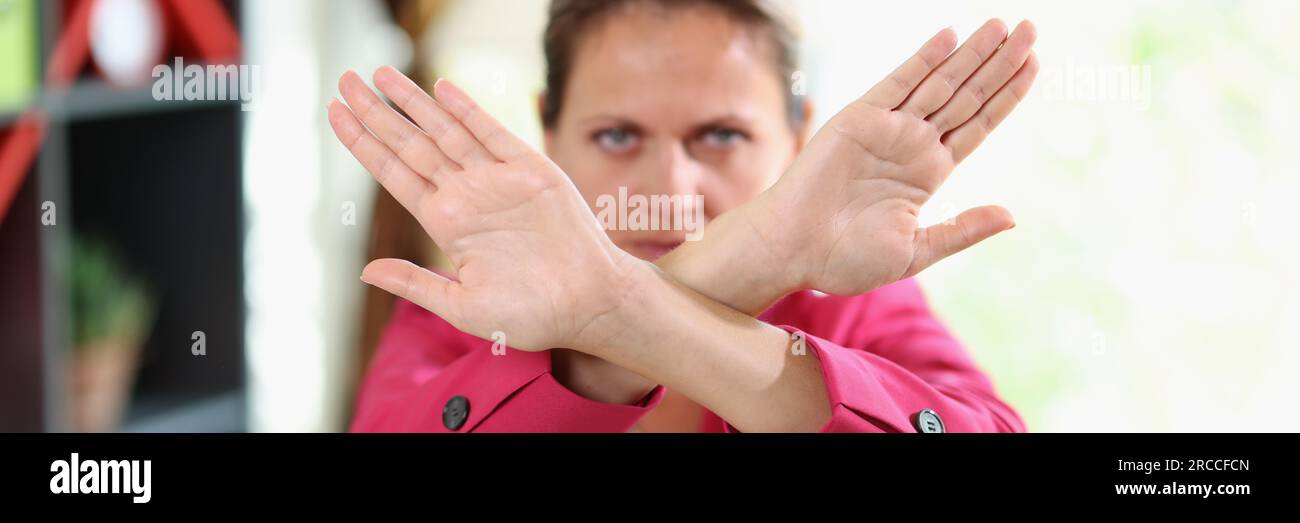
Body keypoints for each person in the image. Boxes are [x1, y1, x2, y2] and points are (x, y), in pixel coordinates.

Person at [328, 0, 1039, 432]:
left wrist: (618, 316)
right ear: (550, 133)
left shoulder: (857, 306)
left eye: (721, 135)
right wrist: (738, 266)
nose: (670, 183)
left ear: (799, 138)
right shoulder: (468, 306)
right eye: (617, 135)